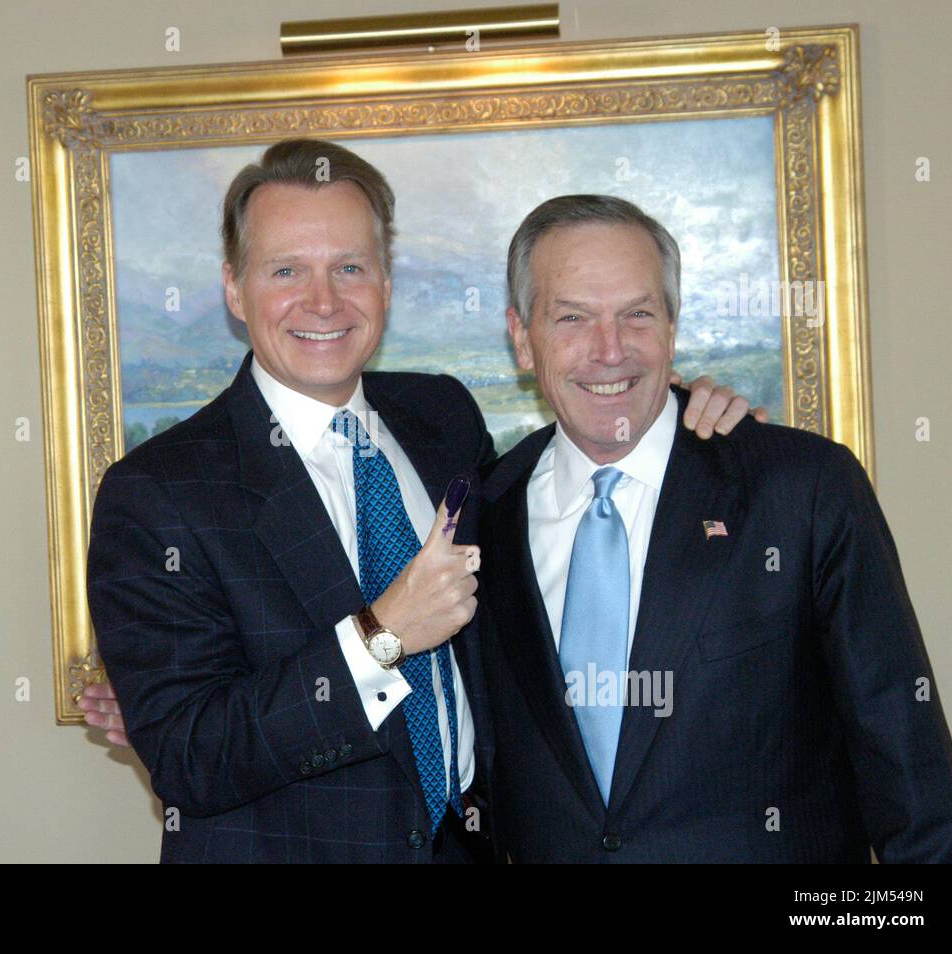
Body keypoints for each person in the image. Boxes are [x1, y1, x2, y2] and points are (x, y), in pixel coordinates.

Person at [82, 139, 754, 863]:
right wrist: (383, 635)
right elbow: (193, 758)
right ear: (235, 290)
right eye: (286, 270)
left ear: (385, 282)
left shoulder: (443, 418)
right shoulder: (157, 493)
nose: (323, 301)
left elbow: (533, 576)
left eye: (349, 267)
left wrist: (671, 409)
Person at [477, 193, 952, 862]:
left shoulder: (799, 488)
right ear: (520, 338)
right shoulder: (485, 514)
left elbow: (913, 784)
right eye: (572, 317)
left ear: (673, 327)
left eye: (638, 314)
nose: (610, 349)